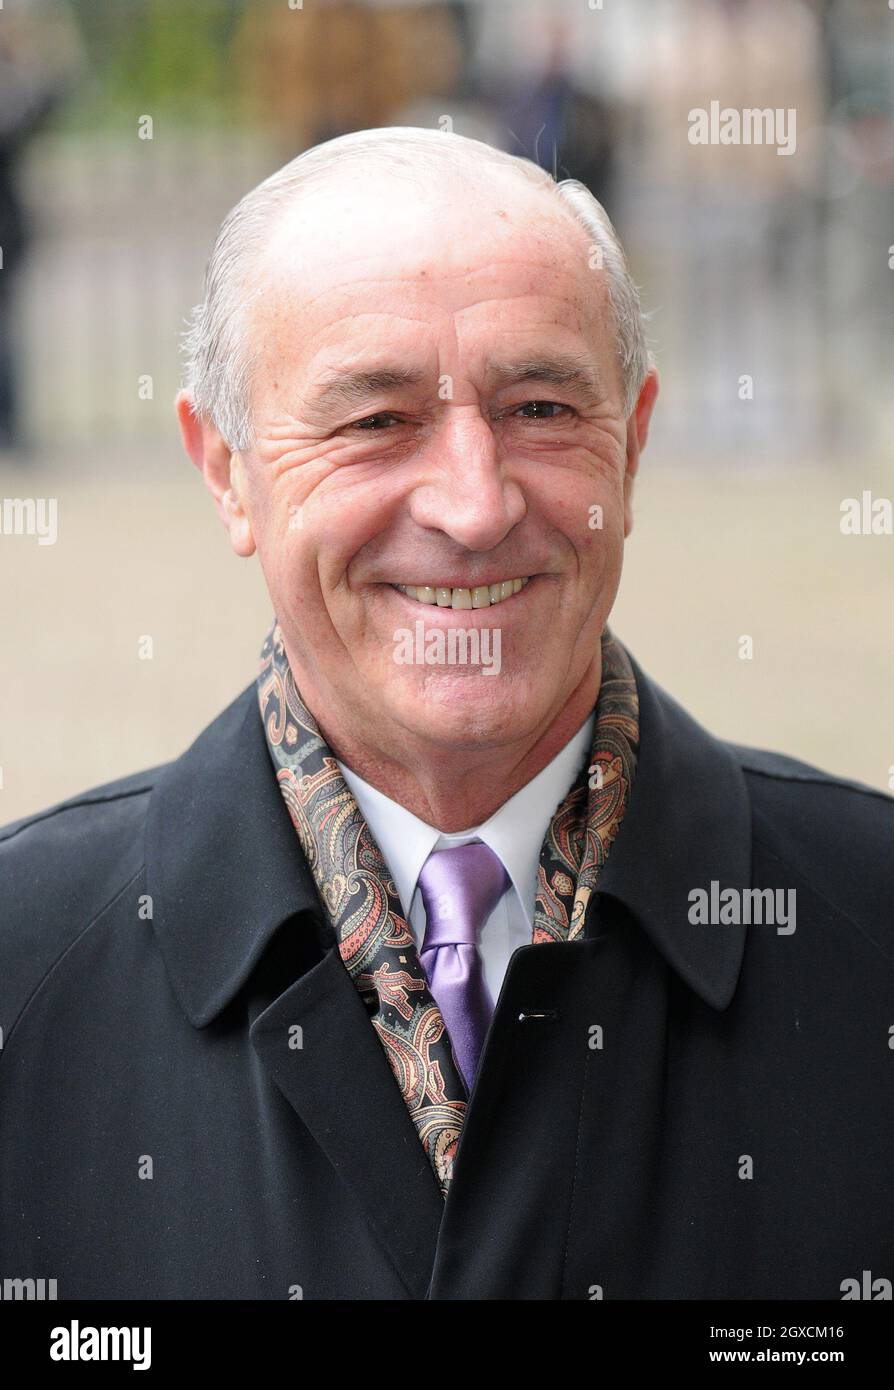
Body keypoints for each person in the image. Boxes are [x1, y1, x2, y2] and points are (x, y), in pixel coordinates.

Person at [1, 127, 891, 1301]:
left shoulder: (868, 923)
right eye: (375, 421)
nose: (474, 505)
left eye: (539, 407)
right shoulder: (26, 971)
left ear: (634, 439)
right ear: (226, 469)